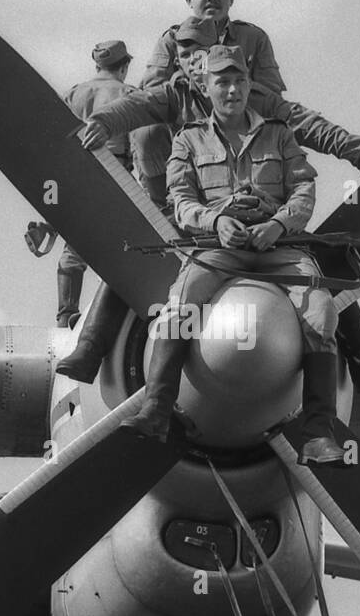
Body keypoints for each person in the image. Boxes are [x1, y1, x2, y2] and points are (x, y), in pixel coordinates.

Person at [71, 20, 360, 390]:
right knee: (134, 258)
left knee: (324, 261)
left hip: (260, 218)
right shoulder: (172, 96)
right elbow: (134, 108)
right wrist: (102, 122)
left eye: (202, 53)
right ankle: (90, 347)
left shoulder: (254, 97)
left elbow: (310, 125)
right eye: (185, 56)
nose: (194, 62)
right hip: (191, 213)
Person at [121, 45, 348, 465]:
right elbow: (180, 199)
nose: (232, 90)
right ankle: (156, 409)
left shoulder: (280, 134)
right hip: (218, 248)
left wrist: (278, 225)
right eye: (222, 82)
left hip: (277, 247)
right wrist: (214, 223)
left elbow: (303, 188)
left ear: (249, 84)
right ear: (206, 88)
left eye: (240, 80)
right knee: (179, 308)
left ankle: (317, 433)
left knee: (321, 312)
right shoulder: (188, 140)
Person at [131, 0, 286, 209]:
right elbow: (152, 93)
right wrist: (182, 82)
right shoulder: (172, 40)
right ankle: (163, 207)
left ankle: (263, 200)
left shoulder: (253, 38)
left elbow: (271, 97)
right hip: (184, 134)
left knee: (280, 127)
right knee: (146, 131)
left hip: (241, 130)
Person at [56, 40, 137, 326]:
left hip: (79, 176)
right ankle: (116, 322)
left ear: (97, 66)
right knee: (126, 247)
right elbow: (139, 145)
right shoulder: (130, 94)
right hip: (118, 175)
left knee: (74, 249)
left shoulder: (74, 94)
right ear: (125, 67)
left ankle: (66, 314)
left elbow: (58, 142)